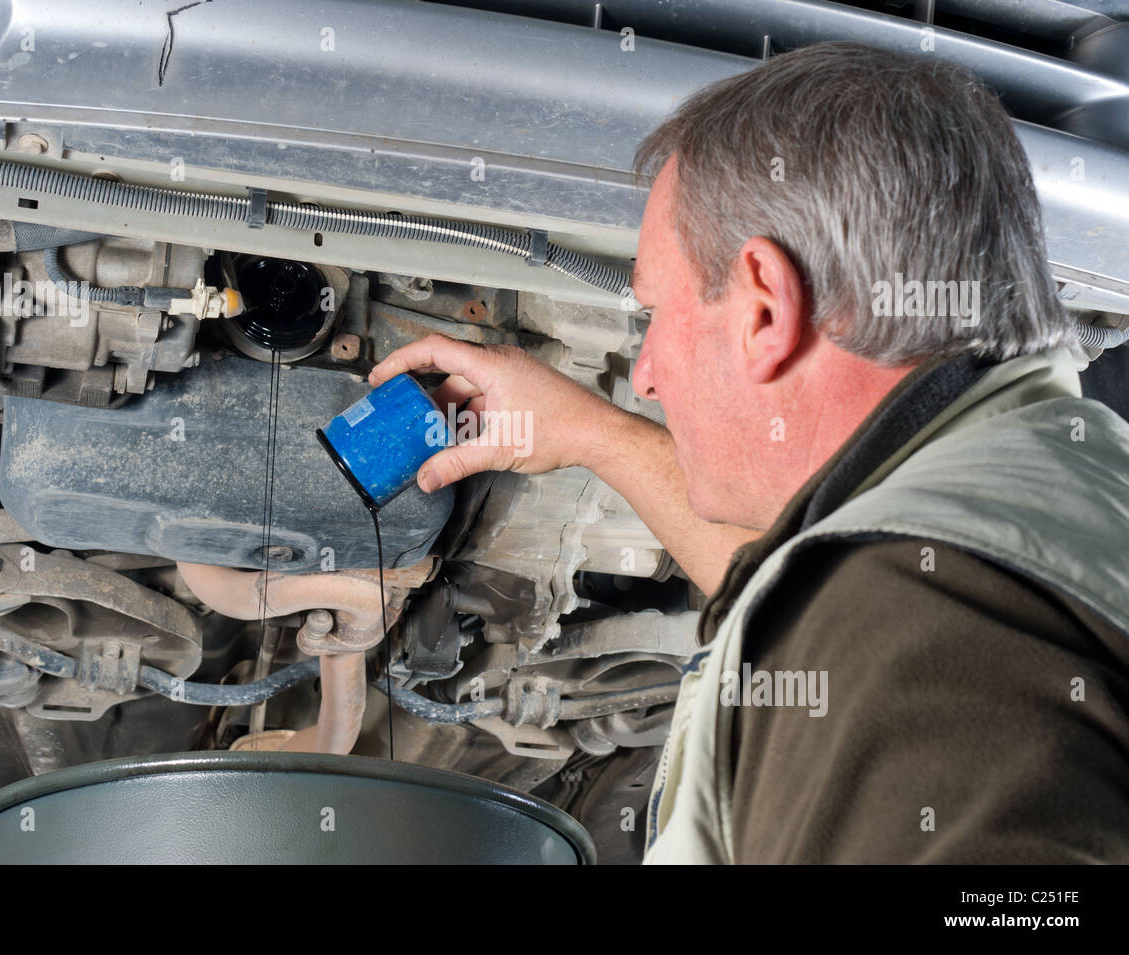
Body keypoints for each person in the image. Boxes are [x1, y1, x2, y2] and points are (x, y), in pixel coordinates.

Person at [368, 42, 1129, 863]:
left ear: (766, 310)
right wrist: (589, 432)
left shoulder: (914, 628)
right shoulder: (1021, 507)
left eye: (654, 311)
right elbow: (810, 580)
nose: (649, 374)